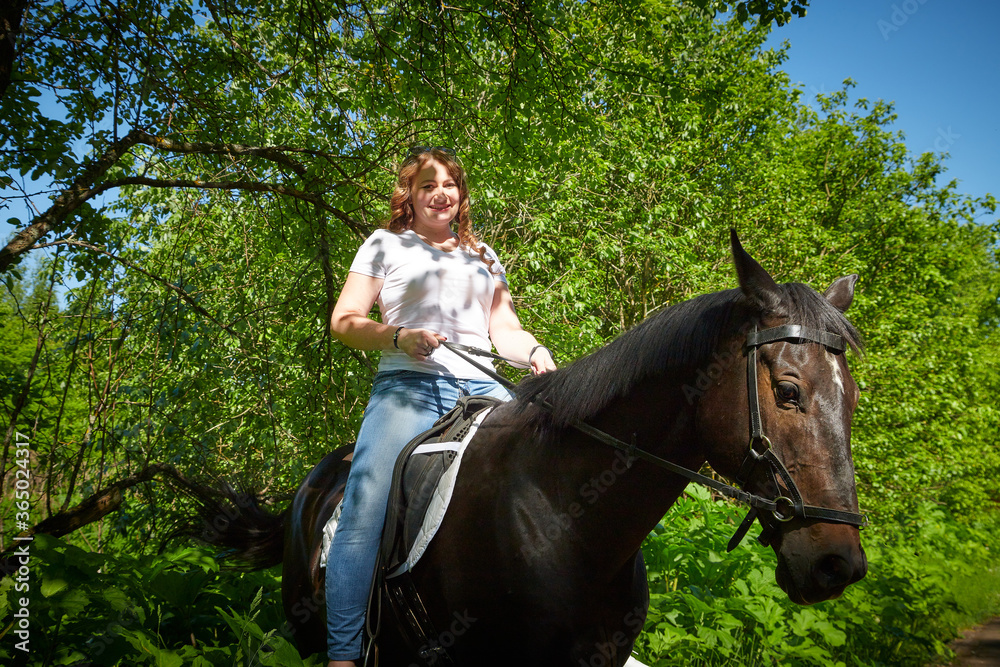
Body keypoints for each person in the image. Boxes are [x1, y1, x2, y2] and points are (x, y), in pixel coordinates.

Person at [325, 146, 556, 666]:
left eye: (449, 184)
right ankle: (343, 654)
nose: (440, 194)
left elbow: (504, 330)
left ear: (461, 193)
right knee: (366, 504)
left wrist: (535, 352)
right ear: (408, 194)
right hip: (409, 386)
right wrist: (399, 336)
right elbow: (344, 320)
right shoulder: (385, 244)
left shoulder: (484, 255)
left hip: (485, 389)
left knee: (551, 473)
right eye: (428, 185)